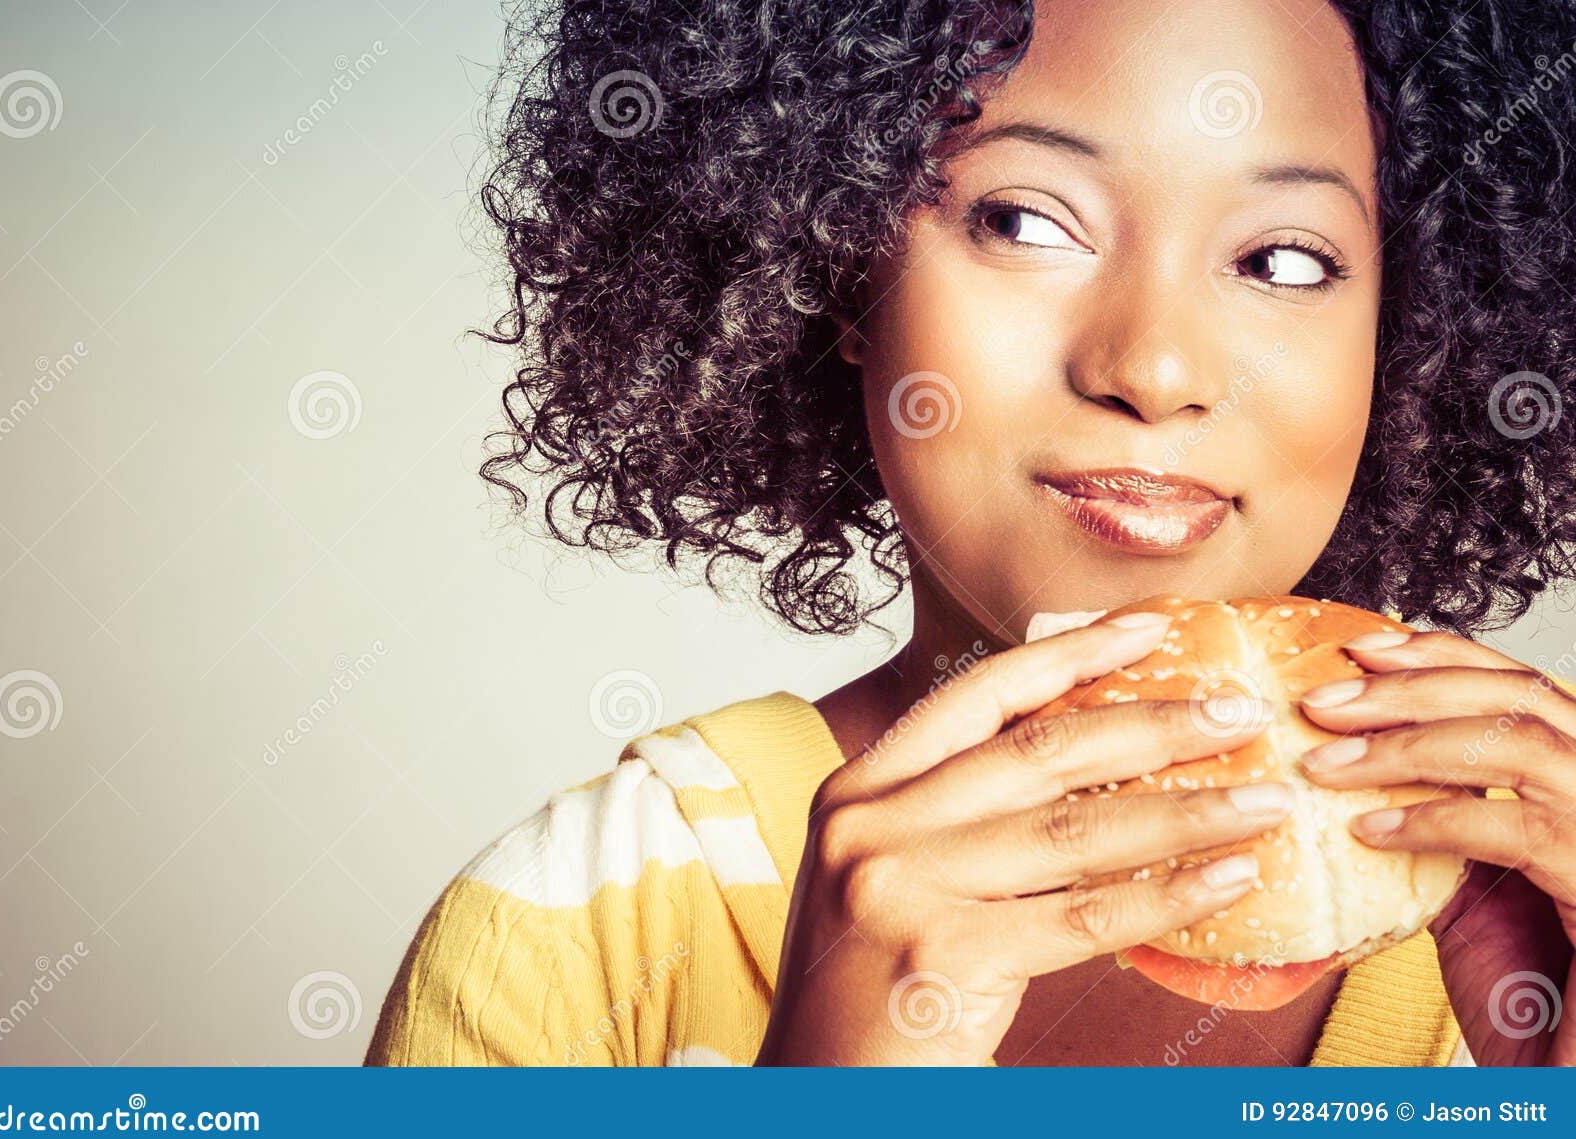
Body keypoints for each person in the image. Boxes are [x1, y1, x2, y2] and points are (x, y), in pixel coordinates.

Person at [366, 0, 1576, 1066]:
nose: (1152, 368)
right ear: (841, 264)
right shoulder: (582, 925)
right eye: (1025, 223)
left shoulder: (1531, 921)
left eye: (1281, 258)